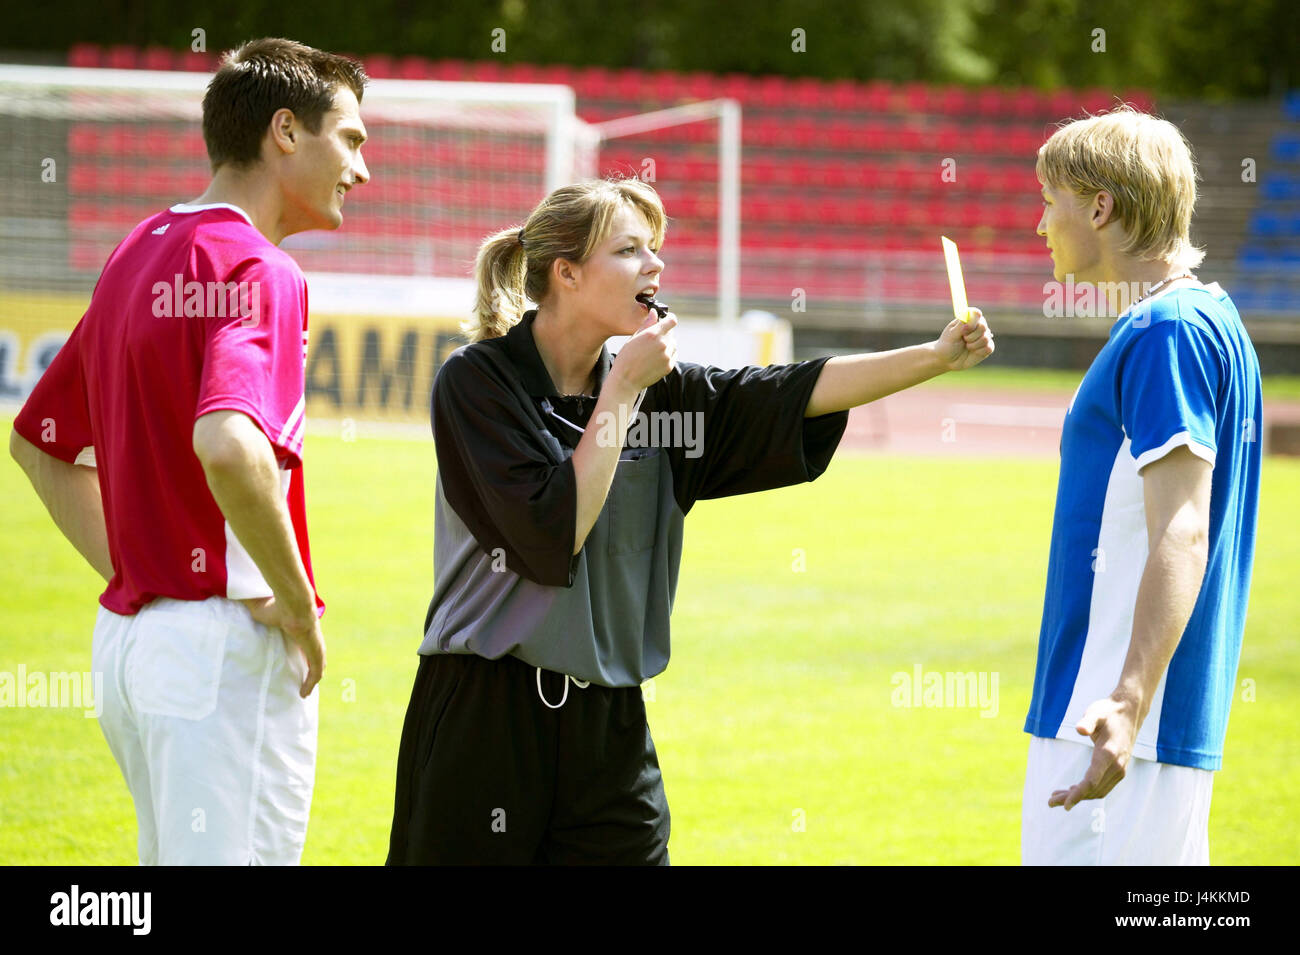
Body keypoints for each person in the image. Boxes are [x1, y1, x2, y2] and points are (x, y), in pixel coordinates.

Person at [386, 176, 995, 865]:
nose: (656, 266)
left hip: (611, 724)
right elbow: (553, 533)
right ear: (567, 273)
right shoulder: (477, 382)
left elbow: (788, 394)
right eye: (630, 250)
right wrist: (622, 390)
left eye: (655, 249)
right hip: (484, 718)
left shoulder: (665, 394)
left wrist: (936, 357)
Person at [8, 38, 370, 865]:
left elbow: (40, 447)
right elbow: (228, 442)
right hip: (220, 653)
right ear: (286, 131)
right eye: (349, 139)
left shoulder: (138, 249)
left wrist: (146, 574)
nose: (362, 168)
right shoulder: (261, 268)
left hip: (135, 648)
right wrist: (298, 602)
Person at [1021, 107, 1261, 865]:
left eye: (1049, 199)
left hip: (1114, 721)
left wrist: (1126, 703)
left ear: (1100, 206)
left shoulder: (1170, 331)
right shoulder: (1202, 318)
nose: (1039, 225)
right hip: (1134, 720)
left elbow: (1183, 527)